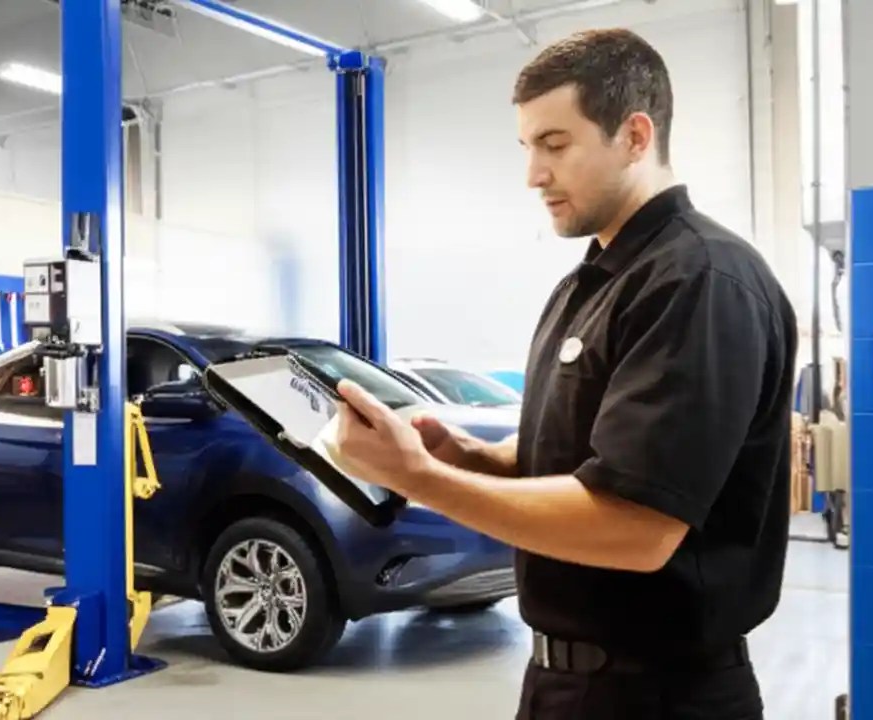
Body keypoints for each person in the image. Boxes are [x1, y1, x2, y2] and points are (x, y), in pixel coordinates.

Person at [329, 27, 797, 720]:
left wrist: (421, 479)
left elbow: (638, 527)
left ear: (634, 136)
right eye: (527, 148)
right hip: (565, 683)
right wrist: (471, 457)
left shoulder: (698, 280)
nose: (533, 175)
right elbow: (589, 455)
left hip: (661, 696)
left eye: (555, 145)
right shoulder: (591, 284)